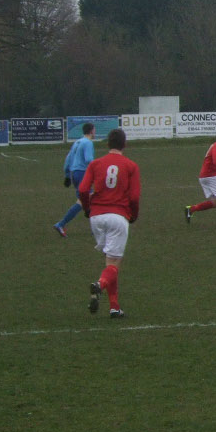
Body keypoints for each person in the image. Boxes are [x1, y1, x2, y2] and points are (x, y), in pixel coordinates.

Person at [78, 128, 140, 318]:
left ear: (107, 145)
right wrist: (134, 215)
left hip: (97, 218)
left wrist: (88, 209)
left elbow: (82, 189)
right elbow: (135, 197)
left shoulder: (96, 164)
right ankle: (100, 285)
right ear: (125, 144)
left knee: (110, 262)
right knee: (115, 263)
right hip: (117, 216)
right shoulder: (131, 166)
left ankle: (114, 307)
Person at [52, 122, 96, 237]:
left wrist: (67, 175)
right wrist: (97, 172)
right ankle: (61, 224)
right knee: (91, 200)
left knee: (84, 201)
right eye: (94, 130)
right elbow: (89, 160)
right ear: (91, 131)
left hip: (74, 173)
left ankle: (62, 224)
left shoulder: (77, 142)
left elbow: (68, 159)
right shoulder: (88, 143)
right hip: (82, 174)